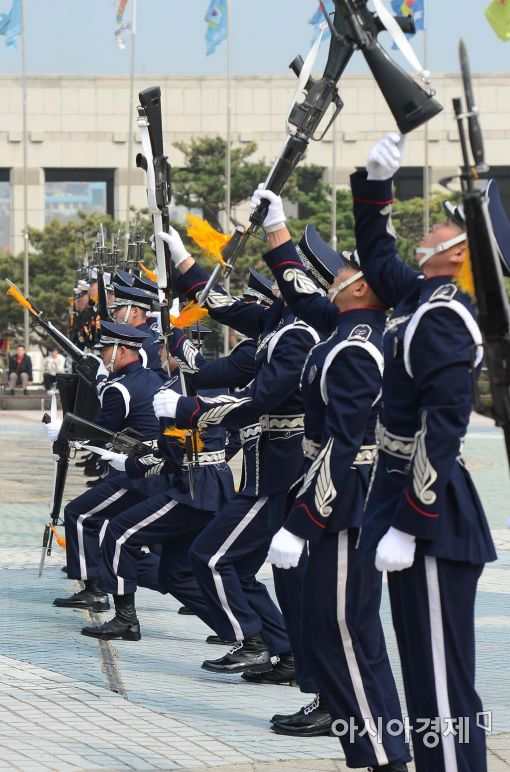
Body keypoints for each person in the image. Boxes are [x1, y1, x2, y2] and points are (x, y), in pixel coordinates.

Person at [350, 132, 497, 772]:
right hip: (412, 512)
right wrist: (375, 189)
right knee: (425, 680)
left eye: (446, 226)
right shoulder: (421, 300)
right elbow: (379, 259)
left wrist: (412, 520)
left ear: (458, 253)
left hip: (431, 519)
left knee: (440, 684)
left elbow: (445, 426)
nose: (430, 229)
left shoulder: (442, 317)